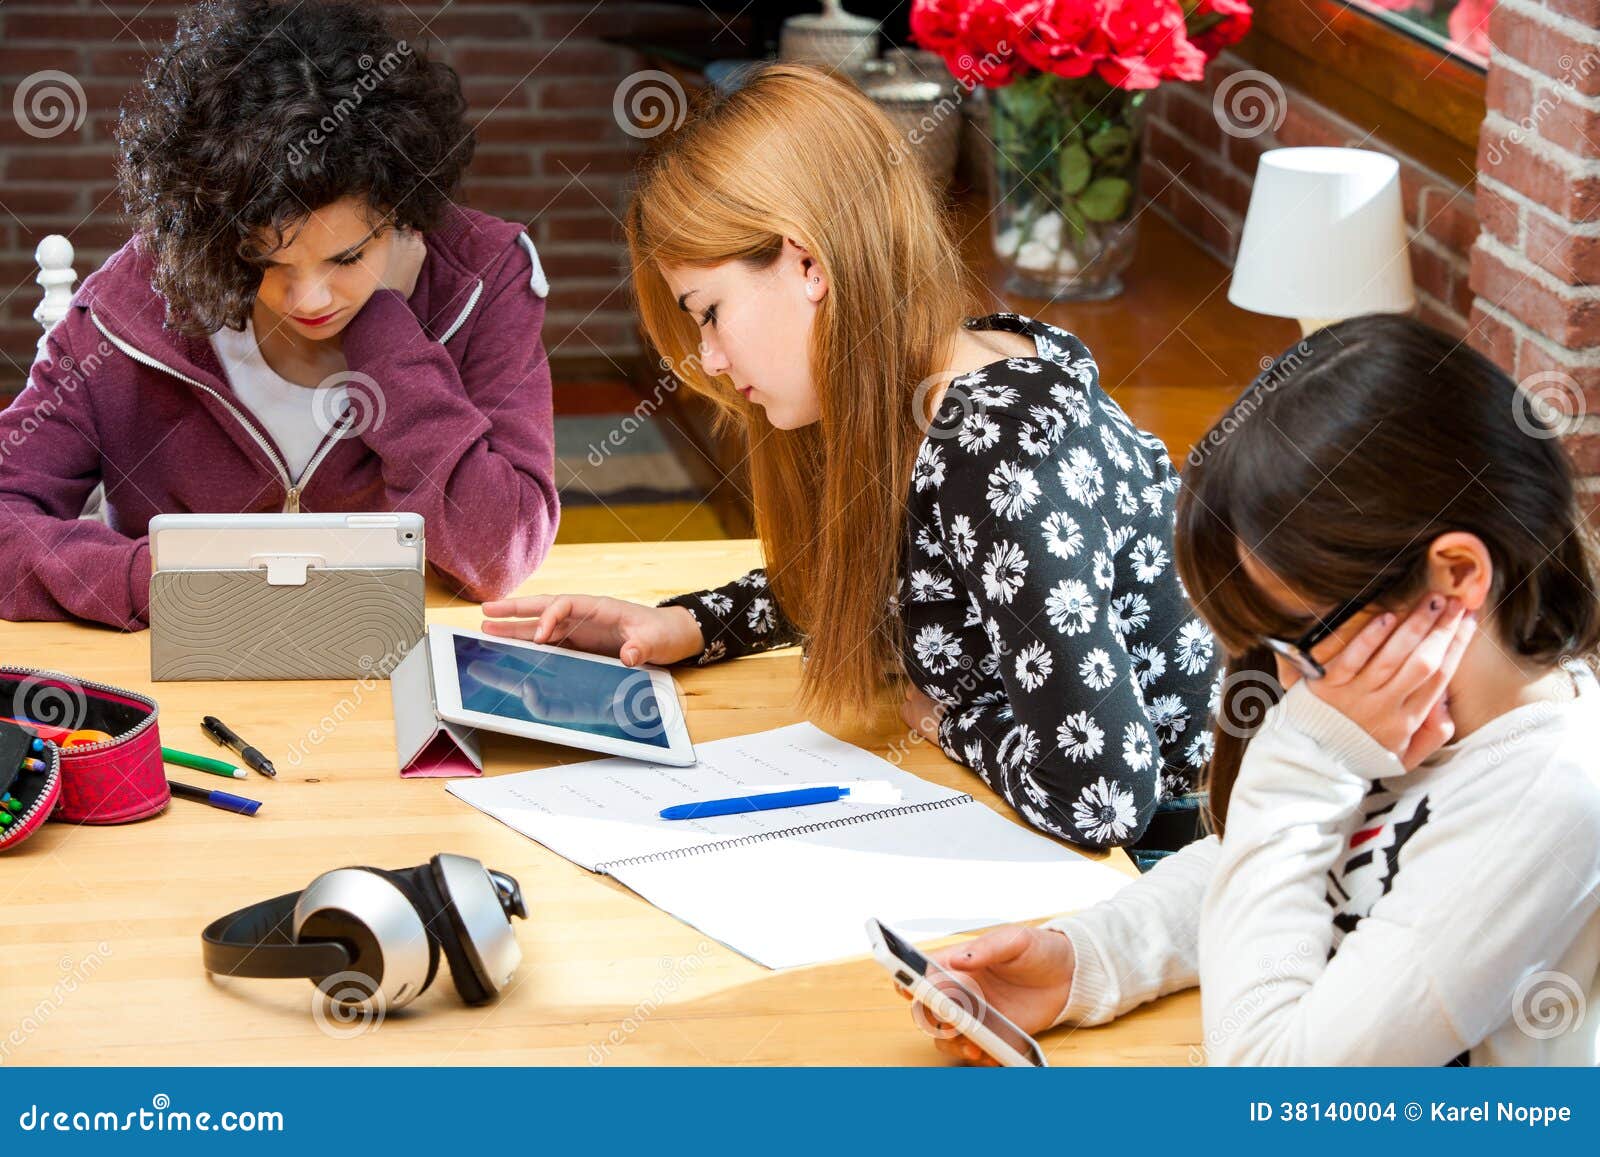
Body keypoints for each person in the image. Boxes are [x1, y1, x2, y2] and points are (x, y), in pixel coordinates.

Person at [478, 64, 1217, 854]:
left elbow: (1103, 797)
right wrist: (688, 624)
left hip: (1166, 862)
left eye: (711, 315)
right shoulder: (960, 365)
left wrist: (947, 718)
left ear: (809, 265)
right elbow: (909, 577)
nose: (712, 360)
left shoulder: (995, 456)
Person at [911, 314, 1600, 1065]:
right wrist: (1084, 960)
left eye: (1297, 638)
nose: (1281, 684)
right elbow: (1274, 864)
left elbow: (1273, 1094)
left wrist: (1304, 758)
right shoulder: (1421, 724)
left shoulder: (1554, 794)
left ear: (1457, 577)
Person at [0, 0, 558, 629]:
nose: (309, 300)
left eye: (347, 257)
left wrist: (386, 327)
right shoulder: (124, 309)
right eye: (266, 263)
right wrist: (159, 583)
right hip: (178, 674)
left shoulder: (483, 277)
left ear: (404, 209)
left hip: (390, 668)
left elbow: (499, 555)